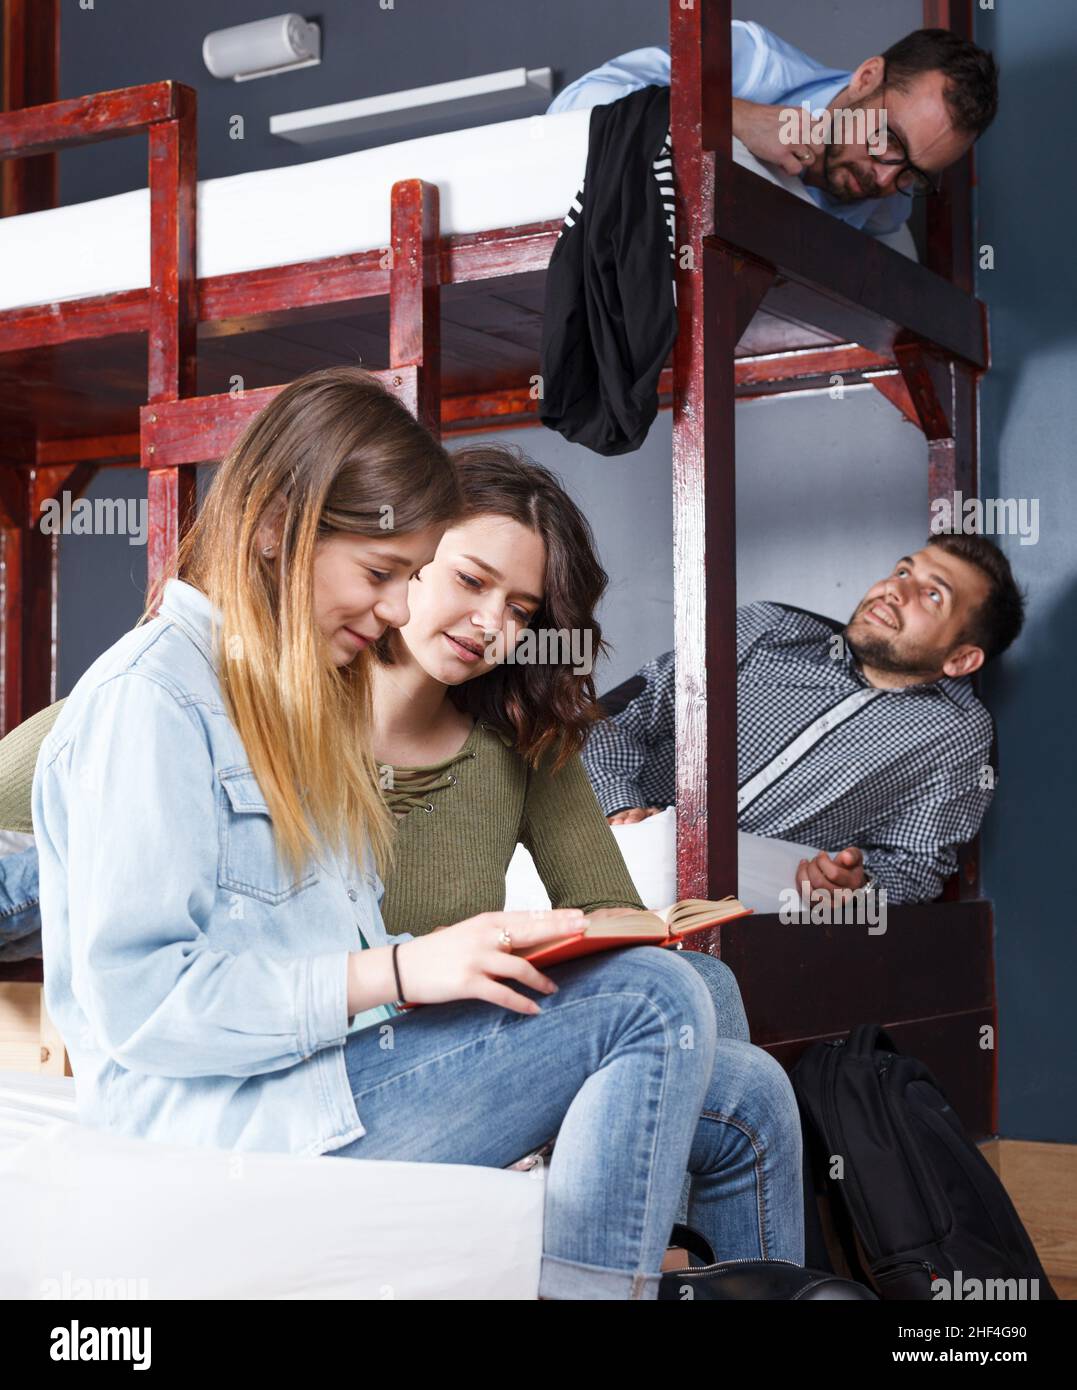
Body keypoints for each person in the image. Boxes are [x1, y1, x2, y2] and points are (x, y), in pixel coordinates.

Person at [29, 366, 803, 1299]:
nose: (397, 608)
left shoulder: (286, 694)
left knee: (745, 1091)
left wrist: (457, 963)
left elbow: (322, 945)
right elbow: (143, 1006)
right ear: (277, 527)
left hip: (334, 1068)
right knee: (647, 998)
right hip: (242, 1119)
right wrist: (402, 971)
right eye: (381, 574)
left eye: (408, 578)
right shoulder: (147, 702)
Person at [582, 536, 1025, 906]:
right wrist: (622, 808)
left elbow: (917, 865)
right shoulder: (767, 628)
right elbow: (613, 720)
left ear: (962, 658)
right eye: (903, 571)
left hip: (754, 897)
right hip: (611, 840)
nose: (896, 590)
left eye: (932, 595)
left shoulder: (956, 733)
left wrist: (860, 886)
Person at [547, 23, 999, 239]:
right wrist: (734, 117)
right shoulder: (750, 62)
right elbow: (570, 111)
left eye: (913, 176)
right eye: (888, 140)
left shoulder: (888, 209)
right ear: (866, 78)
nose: (884, 180)